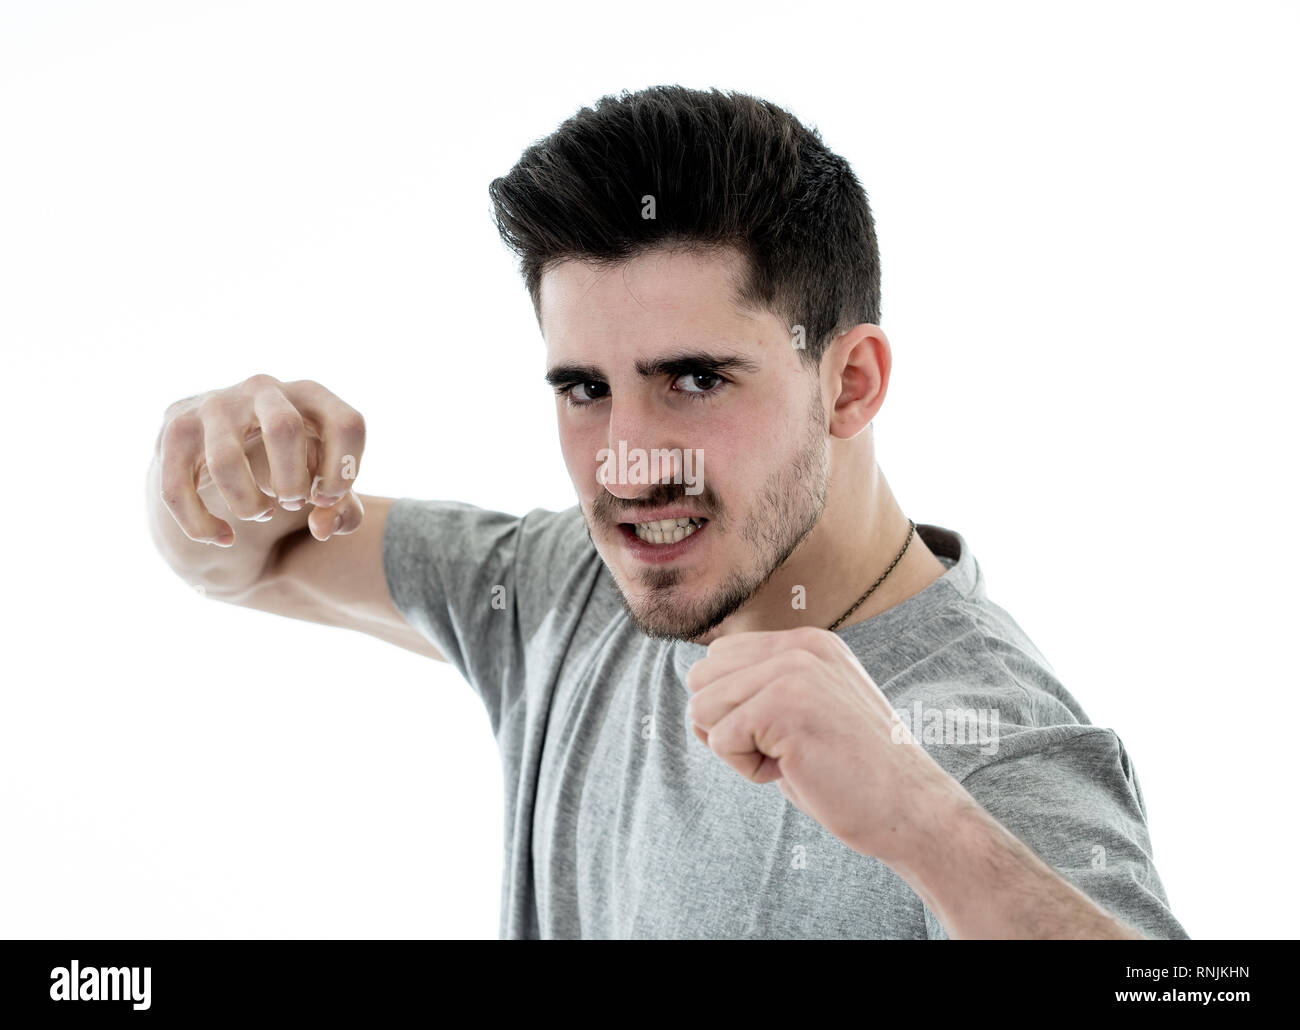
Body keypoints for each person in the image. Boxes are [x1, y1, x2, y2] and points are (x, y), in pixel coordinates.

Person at [147, 85, 1188, 940]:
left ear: (851, 383)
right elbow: (246, 560)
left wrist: (924, 823)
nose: (628, 465)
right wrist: (211, 471)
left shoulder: (990, 736)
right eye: (585, 389)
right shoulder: (569, 587)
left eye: (693, 378)